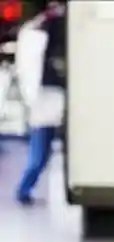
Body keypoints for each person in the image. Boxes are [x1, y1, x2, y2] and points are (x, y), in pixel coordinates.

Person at [13, 0, 65, 205]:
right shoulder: (39, 30)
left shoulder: (35, 30)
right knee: (40, 152)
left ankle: (25, 189)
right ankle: (24, 189)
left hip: (49, 96)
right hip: (46, 97)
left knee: (41, 152)